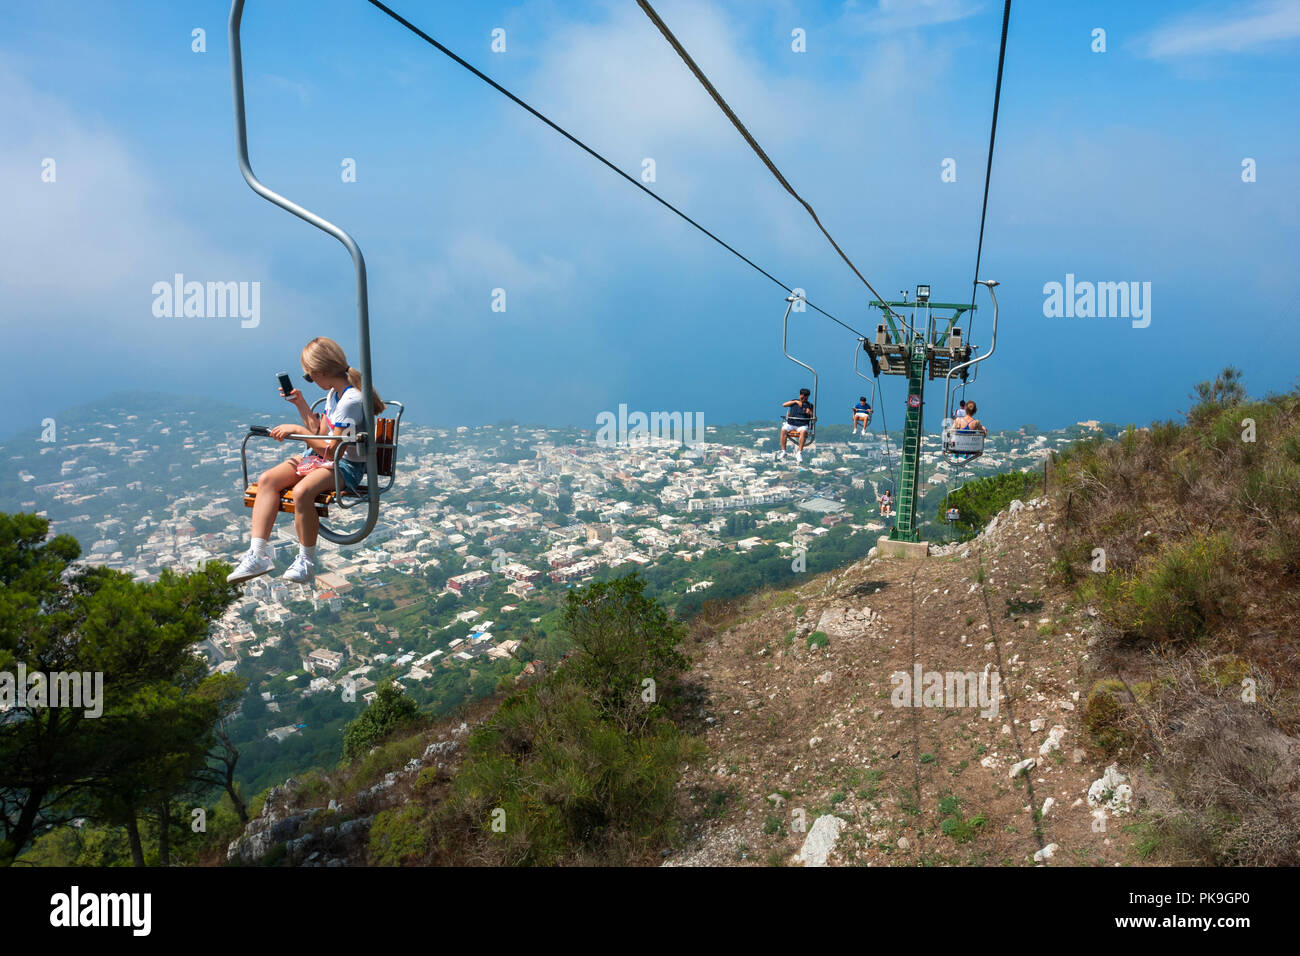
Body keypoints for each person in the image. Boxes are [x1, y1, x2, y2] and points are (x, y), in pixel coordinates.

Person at [228, 336, 386, 585]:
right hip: (322, 459)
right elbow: (319, 433)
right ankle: (257, 554)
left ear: (320, 372)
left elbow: (333, 452)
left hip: (346, 467)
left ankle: (306, 560)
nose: (310, 380)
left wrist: (293, 430)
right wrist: (300, 404)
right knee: (267, 480)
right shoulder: (335, 394)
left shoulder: (350, 401)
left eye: (309, 376)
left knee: (302, 492)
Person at [778, 388, 816, 463]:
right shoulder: (794, 402)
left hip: (802, 425)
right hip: (791, 423)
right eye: (803, 397)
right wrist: (795, 402)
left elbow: (815, 418)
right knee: (783, 430)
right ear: (800, 395)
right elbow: (784, 405)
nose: (804, 399)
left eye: (806, 397)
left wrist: (810, 413)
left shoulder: (809, 405)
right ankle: (783, 451)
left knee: (803, 431)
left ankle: (799, 453)